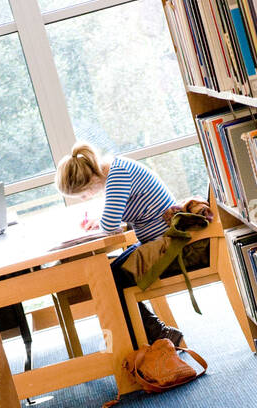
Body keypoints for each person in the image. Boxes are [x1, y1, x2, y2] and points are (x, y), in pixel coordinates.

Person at [55, 143, 184, 347]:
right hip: (159, 240)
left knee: (109, 279)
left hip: (167, 244)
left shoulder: (118, 176)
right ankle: (156, 334)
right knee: (107, 274)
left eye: (84, 194)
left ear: (91, 180)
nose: (85, 198)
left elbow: (110, 224)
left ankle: (146, 339)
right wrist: (103, 220)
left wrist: (103, 221)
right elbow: (116, 216)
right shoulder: (116, 168)